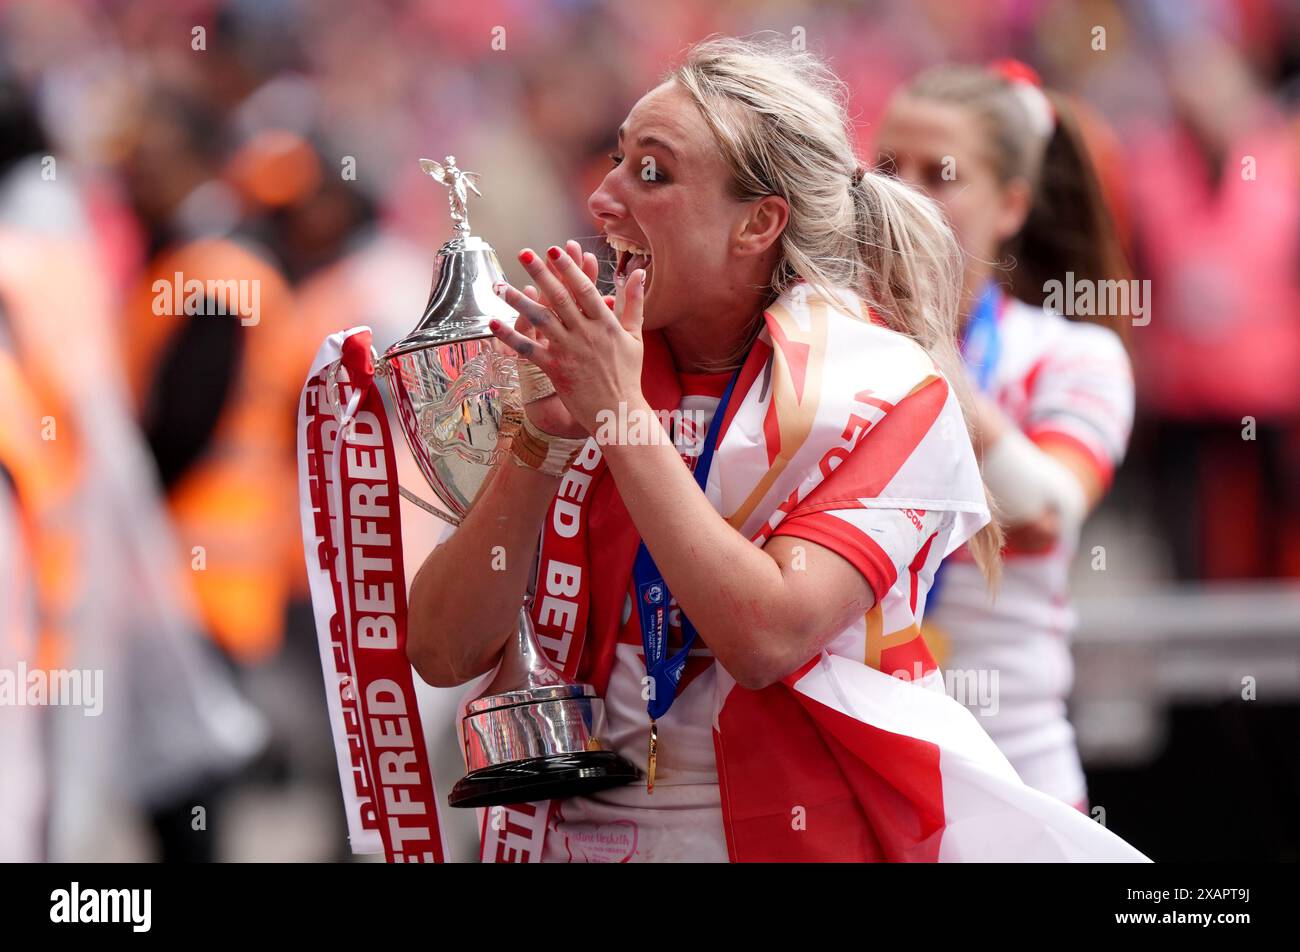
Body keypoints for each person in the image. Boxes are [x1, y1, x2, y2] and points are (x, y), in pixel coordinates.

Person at [405, 38, 1144, 864]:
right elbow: (440, 651)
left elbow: (764, 638)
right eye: (615, 162)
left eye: (652, 173)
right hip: (572, 836)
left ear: (759, 222)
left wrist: (619, 418)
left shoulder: (889, 387)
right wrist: (535, 443)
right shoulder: (584, 361)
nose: (604, 197)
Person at [874, 62, 1136, 810]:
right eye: (888, 167)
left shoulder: (1072, 354)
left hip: (1016, 773)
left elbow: (1047, 512)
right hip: (859, 774)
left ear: (1012, 205)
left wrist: (929, 348)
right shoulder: (823, 345)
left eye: (942, 173)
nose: (907, 193)